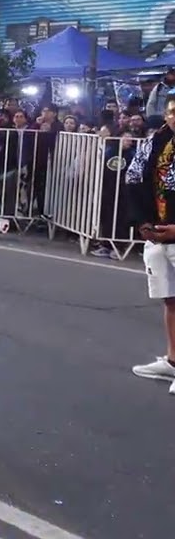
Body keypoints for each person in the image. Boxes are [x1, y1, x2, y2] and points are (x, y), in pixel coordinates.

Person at [124, 96, 175, 394]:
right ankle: (172, 360)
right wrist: (141, 222)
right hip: (156, 233)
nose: (173, 116)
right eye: (170, 112)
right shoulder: (153, 144)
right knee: (170, 299)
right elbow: (133, 181)